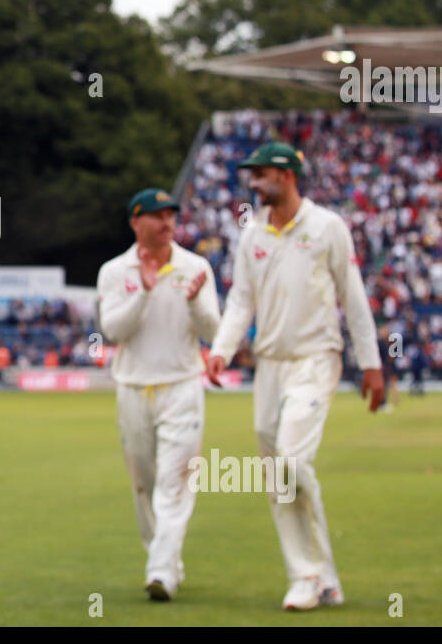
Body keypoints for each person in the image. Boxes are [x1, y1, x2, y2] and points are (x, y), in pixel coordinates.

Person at [206, 142, 384, 610]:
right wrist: (222, 350)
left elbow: (353, 296)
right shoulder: (252, 236)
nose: (254, 182)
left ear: (286, 176)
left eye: (261, 174)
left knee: (289, 461)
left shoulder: (327, 227)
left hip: (315, 358)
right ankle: (319, 576)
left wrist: (371, 364)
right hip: (270, 365)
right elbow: (242, 301)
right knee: (279, 475)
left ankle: (308, 576)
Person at [96, 188, 219, 602]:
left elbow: (214, 333)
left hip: (182, 385)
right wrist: (144, 292)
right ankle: (165, 561)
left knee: (175, 483)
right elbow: (113, 331)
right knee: (144, 486)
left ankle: (161, 571)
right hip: (132, 388)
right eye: (156, 216)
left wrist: (197, 302)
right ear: (136, 222)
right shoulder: (115, 271)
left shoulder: (196, 266)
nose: (167, 223)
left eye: (171, 215)